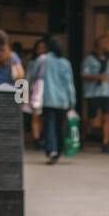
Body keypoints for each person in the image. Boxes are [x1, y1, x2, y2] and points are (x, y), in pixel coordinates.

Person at [30, 36, 75, 164]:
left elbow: (31, 76)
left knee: (49, 125)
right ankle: (59, 150)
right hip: (63, 101)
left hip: (48, 98)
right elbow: (69, 84)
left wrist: (21, 95)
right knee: (60, 127)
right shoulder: (65, 63)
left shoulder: (42, 60)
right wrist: (72, 101)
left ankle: (52, 150)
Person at [81, 34, 109, 152]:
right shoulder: (89, 59)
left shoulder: (108, 60)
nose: (107, 45)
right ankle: (82, 137)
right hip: (92, 92)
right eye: (104, 42)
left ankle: (105, 143)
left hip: (106, 92)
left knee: (108, 117)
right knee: (91, 117)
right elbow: (84, 74)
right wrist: (98, 77)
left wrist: (105, 78)